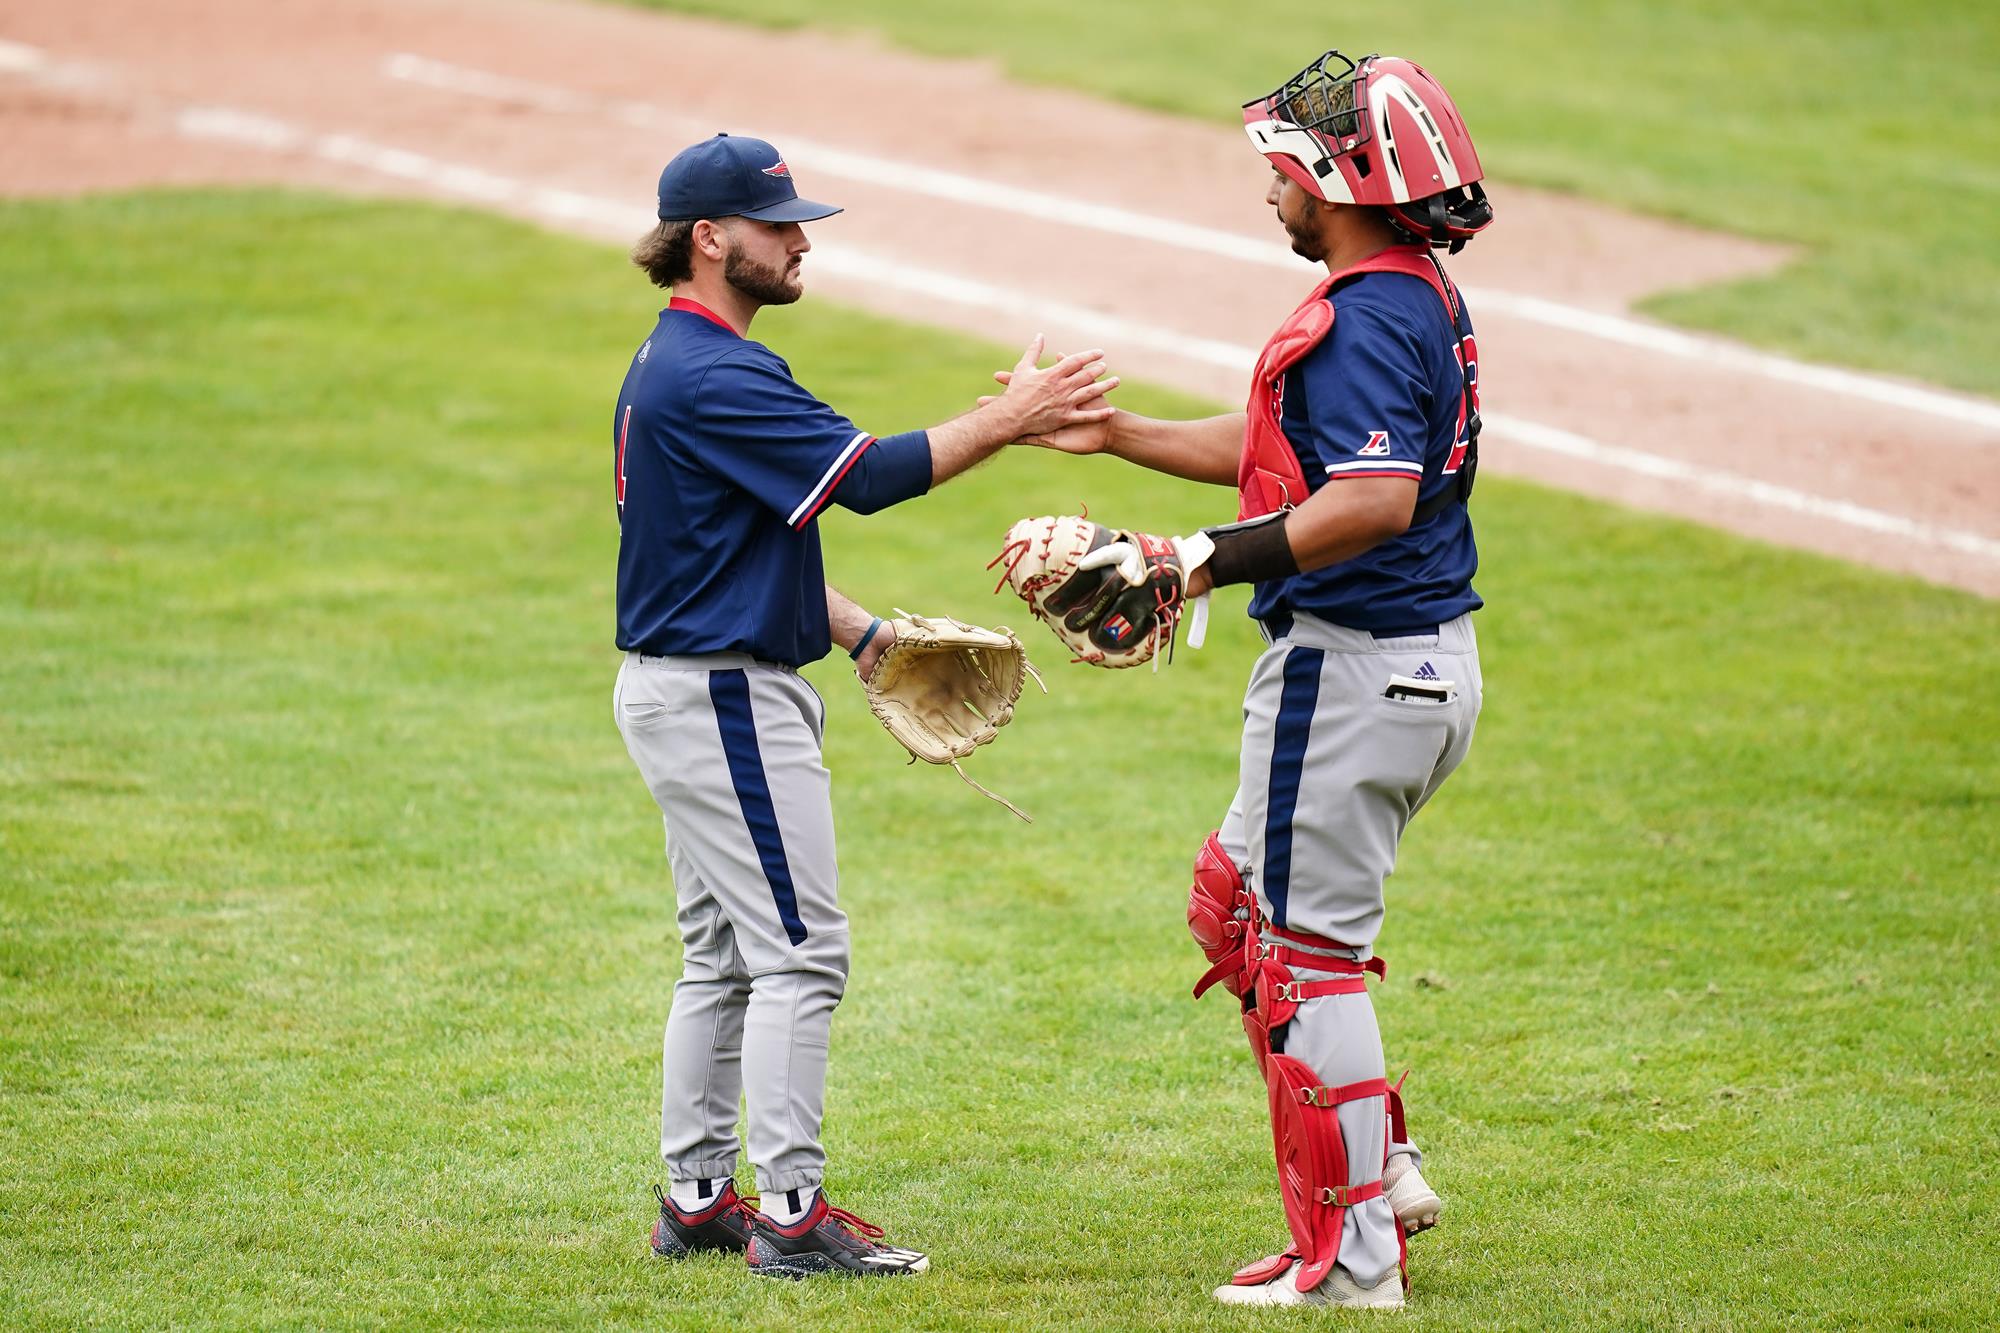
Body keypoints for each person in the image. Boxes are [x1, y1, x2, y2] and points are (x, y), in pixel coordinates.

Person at [1001, 51, 1494, 1309]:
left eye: (1279, 173)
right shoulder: (1405, 292)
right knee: (1232, 909)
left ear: (1330, 183)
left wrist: (1193, 562)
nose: (1268, 192)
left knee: (1303, 954)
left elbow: (1369, 498)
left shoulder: (1361, 316)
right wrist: (1117, 436)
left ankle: (1350, 1258)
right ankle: (1379, 1168)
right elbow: (1289, 451)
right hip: (1411, 667)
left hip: (1351, 671)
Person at [612, 133, 1113, 1280]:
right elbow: (873, 479)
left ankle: (697, 1198)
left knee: (723, 954)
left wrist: (864, 633)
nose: (799, 242)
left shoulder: (672, 361)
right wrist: (1012, 417)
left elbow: (733, 544)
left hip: (686, 684)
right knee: (800, 953)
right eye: (778, 225)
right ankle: (791, 1216)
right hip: (722, 698)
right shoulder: (716, 373)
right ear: (708, 238)